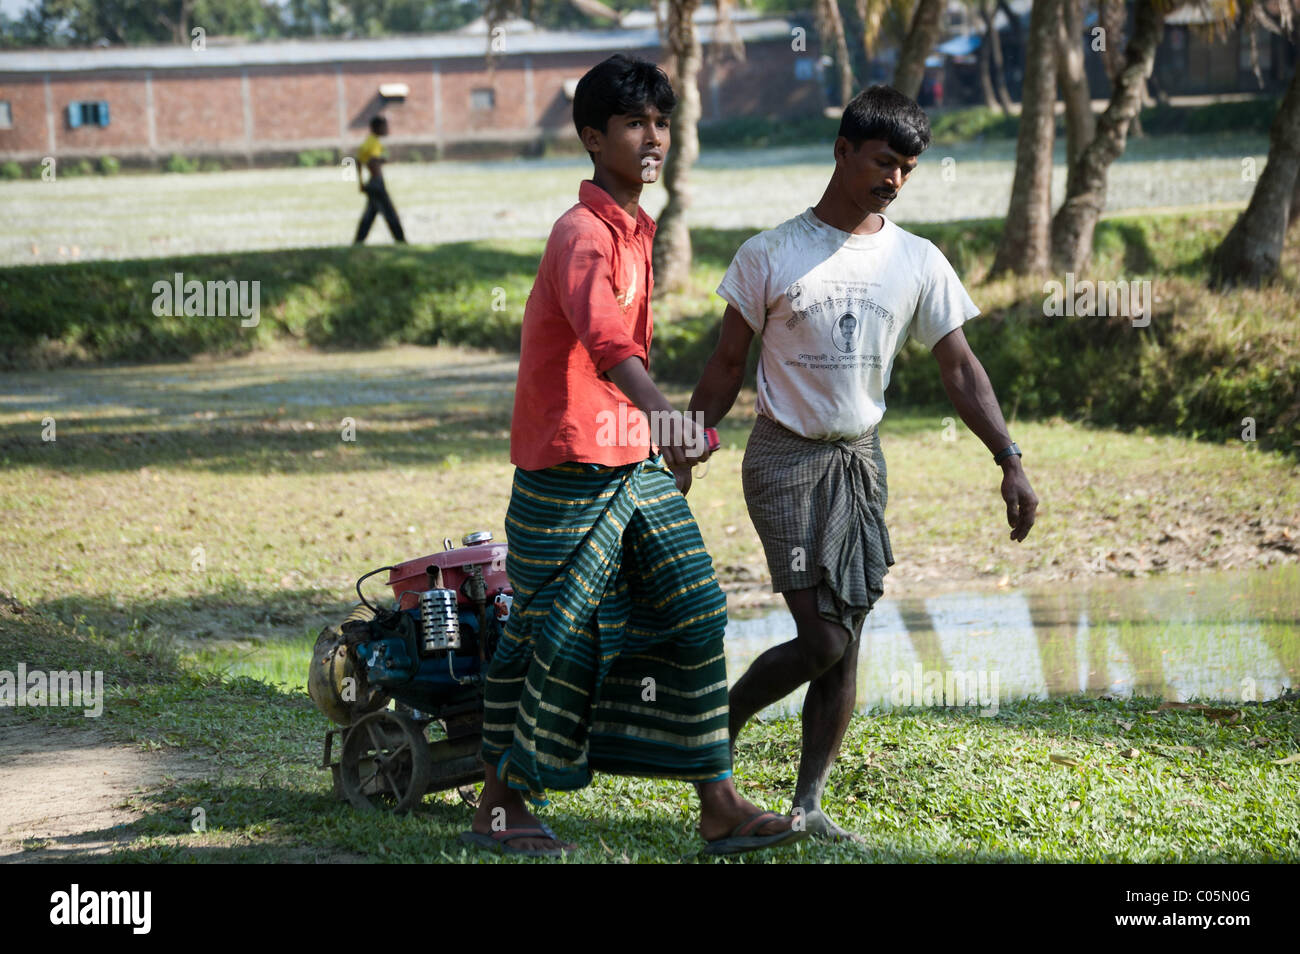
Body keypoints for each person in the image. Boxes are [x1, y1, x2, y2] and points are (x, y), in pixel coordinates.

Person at [461, 54, 806, 858]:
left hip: (631, 466)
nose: (653, 138)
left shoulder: (637, 231)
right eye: (633, 125)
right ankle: (498, 802)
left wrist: (662, 443)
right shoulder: (581, 234)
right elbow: (606, 340)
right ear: (592, 137)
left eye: (661, 123)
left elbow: (626, 357)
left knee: (694, 609)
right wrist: (668, 421)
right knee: (556, 630)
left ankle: (716, 801)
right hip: (565, 468)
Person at [687, 85, 1039, 841]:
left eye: (908, 168)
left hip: (860, 462)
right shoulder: (770, 254)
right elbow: (724, 366)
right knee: (822, 638)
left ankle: (808, 803)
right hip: (782, 459)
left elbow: (961, 371)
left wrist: (1008, 458)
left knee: (847, 638)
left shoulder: (917, 260)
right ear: (843, 150)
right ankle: (715, 730)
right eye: (884, 162)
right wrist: (686, 444)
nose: (895, 180)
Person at [353, 114, 406, 244]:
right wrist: (381, 160)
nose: (387, 129)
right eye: (385, 126)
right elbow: (372, 161)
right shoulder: (374, 144)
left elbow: (358, 161)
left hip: (371, 183)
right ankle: (401, 241)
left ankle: (358, 242)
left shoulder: (368, 142)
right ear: (377, 127)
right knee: (390, 213)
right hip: (377, 183)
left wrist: (360, 182)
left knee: (369, 215)